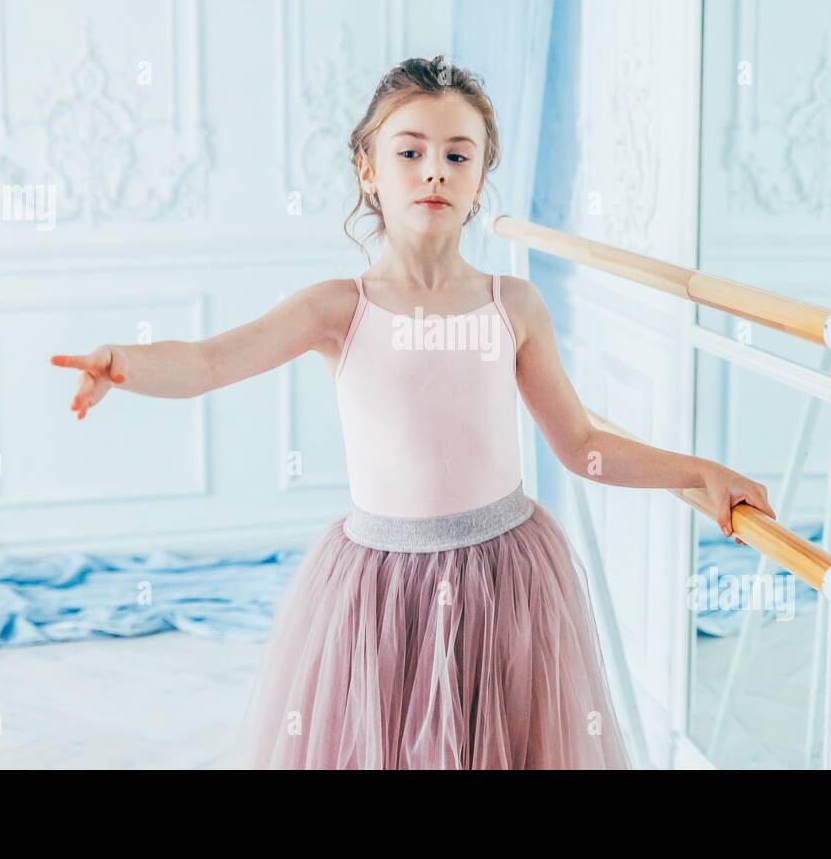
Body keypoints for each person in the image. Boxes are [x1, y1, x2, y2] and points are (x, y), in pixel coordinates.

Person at [50, 55, 775, 768]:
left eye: (458, 155)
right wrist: (128, 365)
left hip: (507, 577)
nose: (435, 170)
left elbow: (581, 443)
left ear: (480, 179)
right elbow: (211, 362)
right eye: (411, 152)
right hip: (381, 587)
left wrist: (700, 473)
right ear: (370, 171)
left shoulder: (512, 305)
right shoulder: (338, 308)